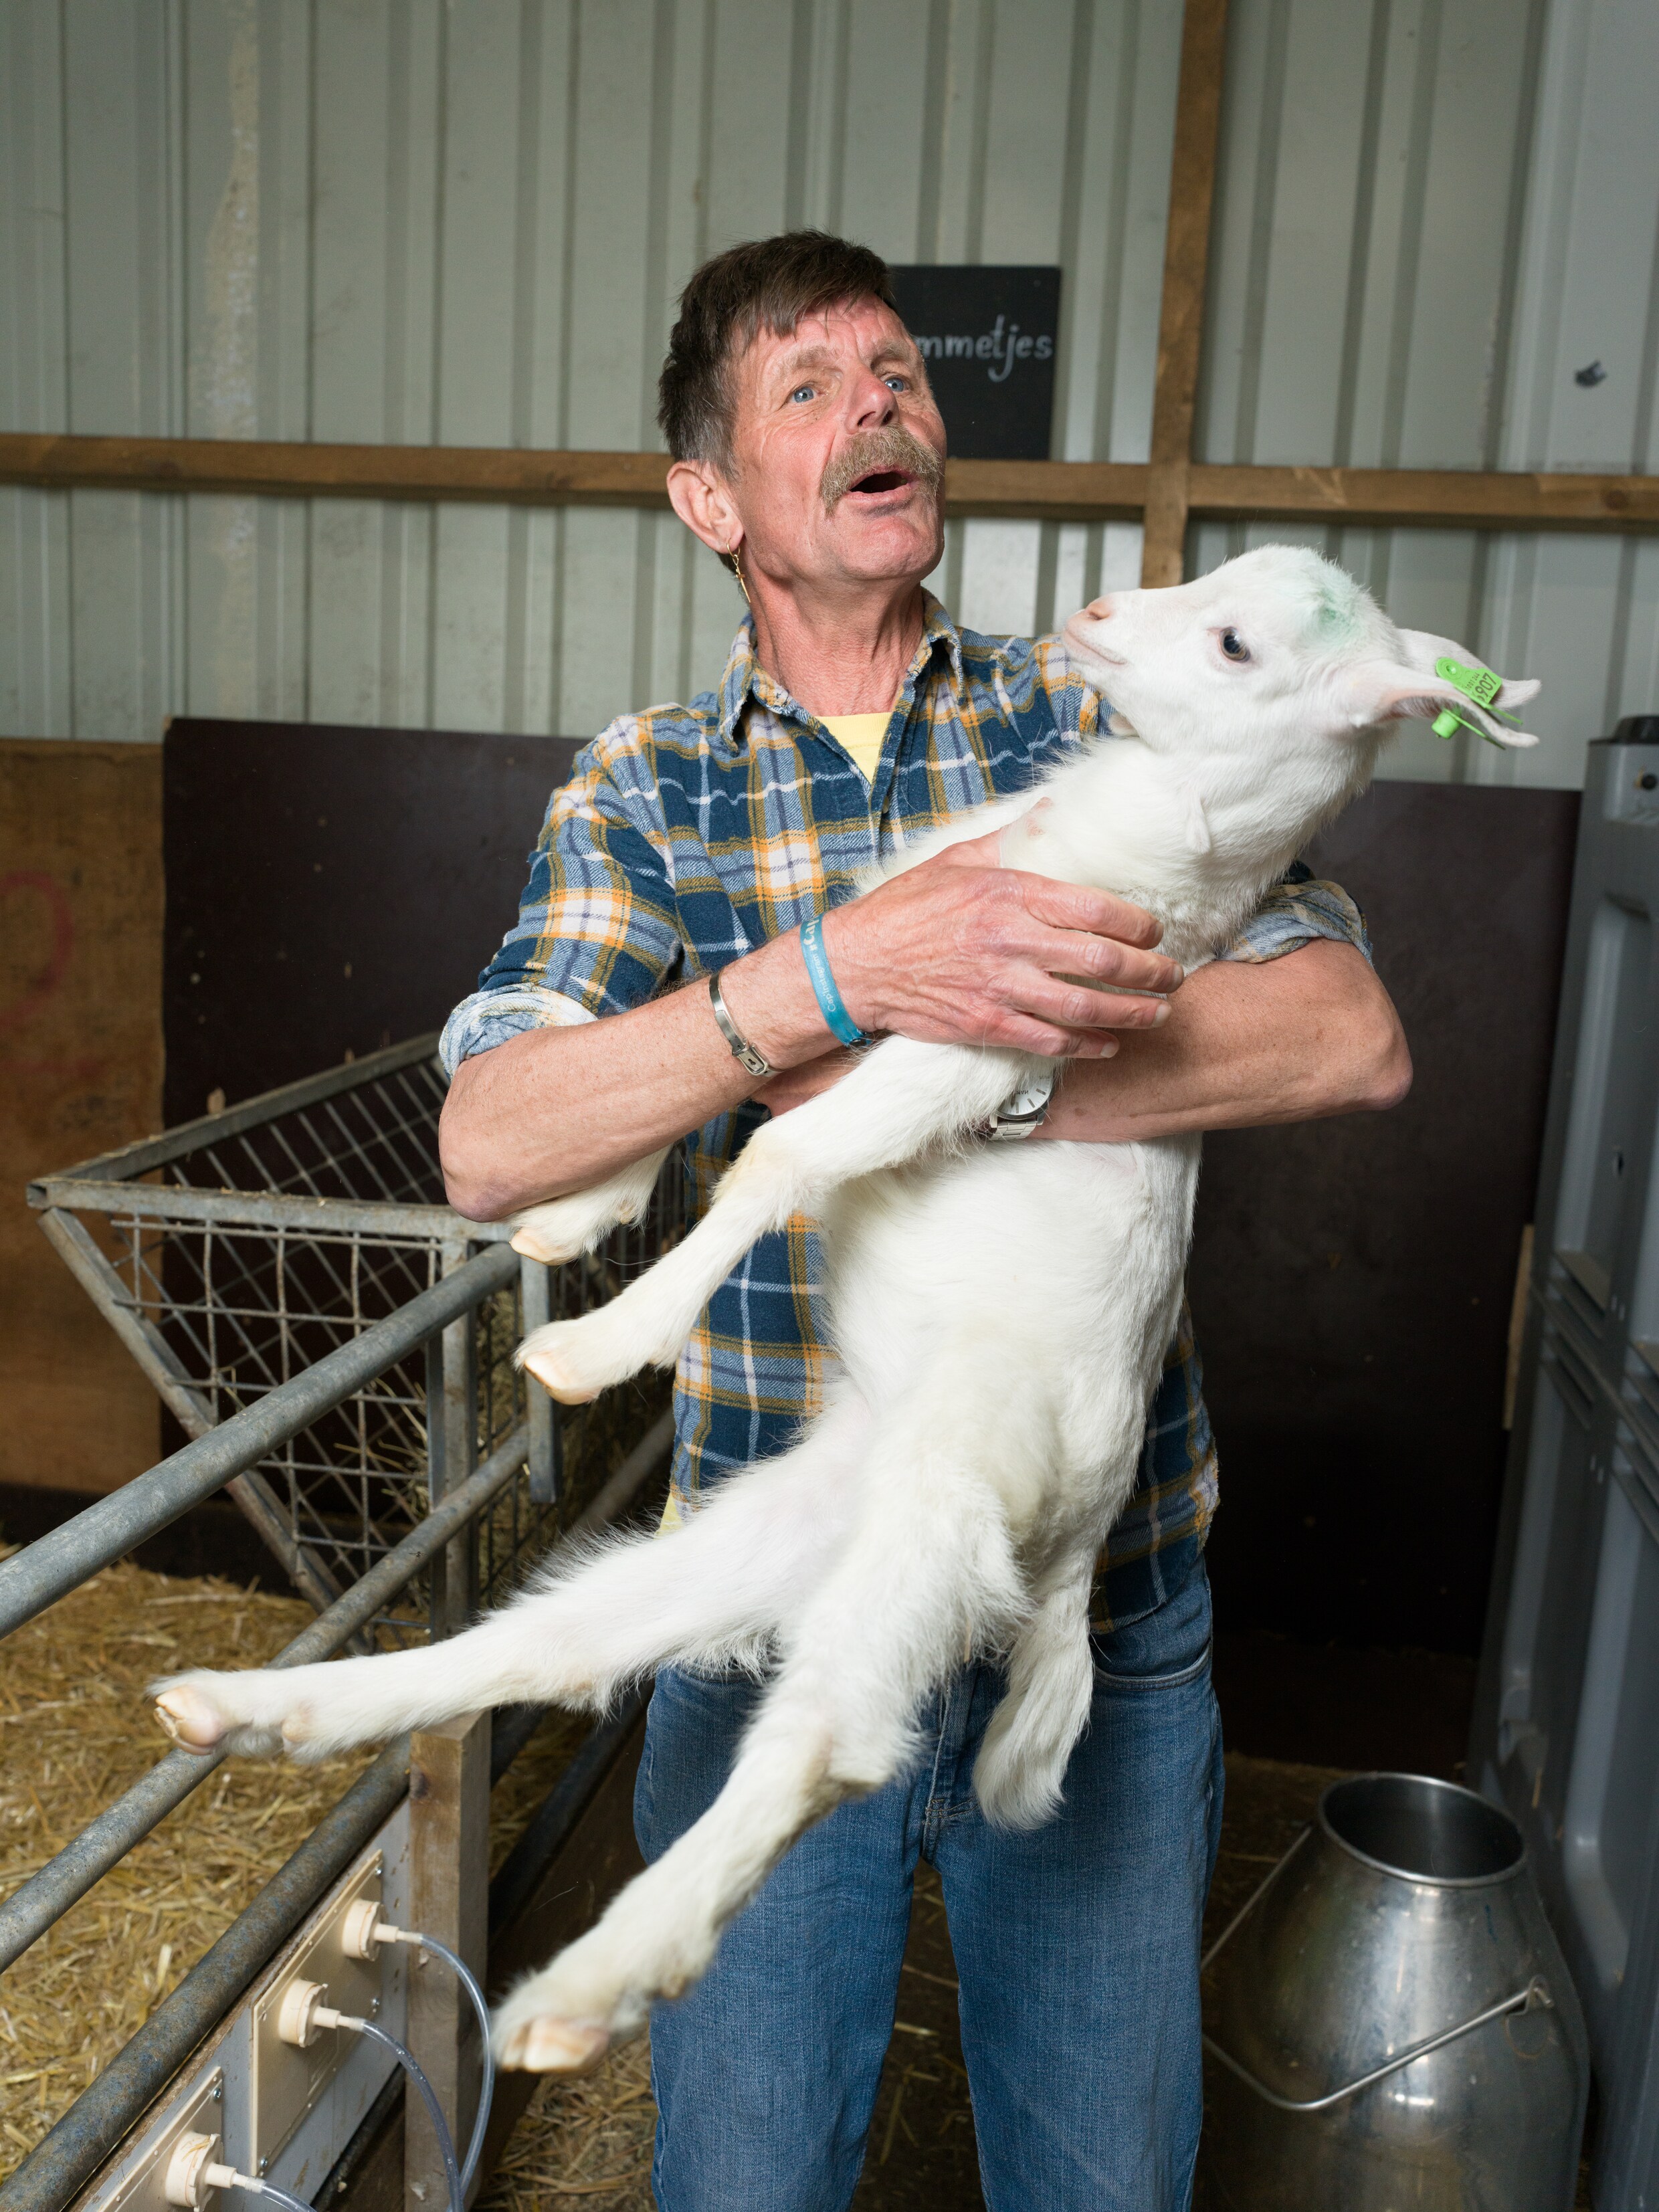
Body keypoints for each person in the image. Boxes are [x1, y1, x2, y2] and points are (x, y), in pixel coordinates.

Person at [438, 231, 1409, 2212]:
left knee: (1100, 2181)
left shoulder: (1105, 696)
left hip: (1095, 1598)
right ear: (711, 501)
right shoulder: (650, 789)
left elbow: (1345, 1032)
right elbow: (495, 1143)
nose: (878, 401)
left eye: (895, 369)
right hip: (787, 1583)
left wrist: (983, 1074)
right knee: (747, 2179)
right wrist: (843, 979)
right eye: (807, 388)